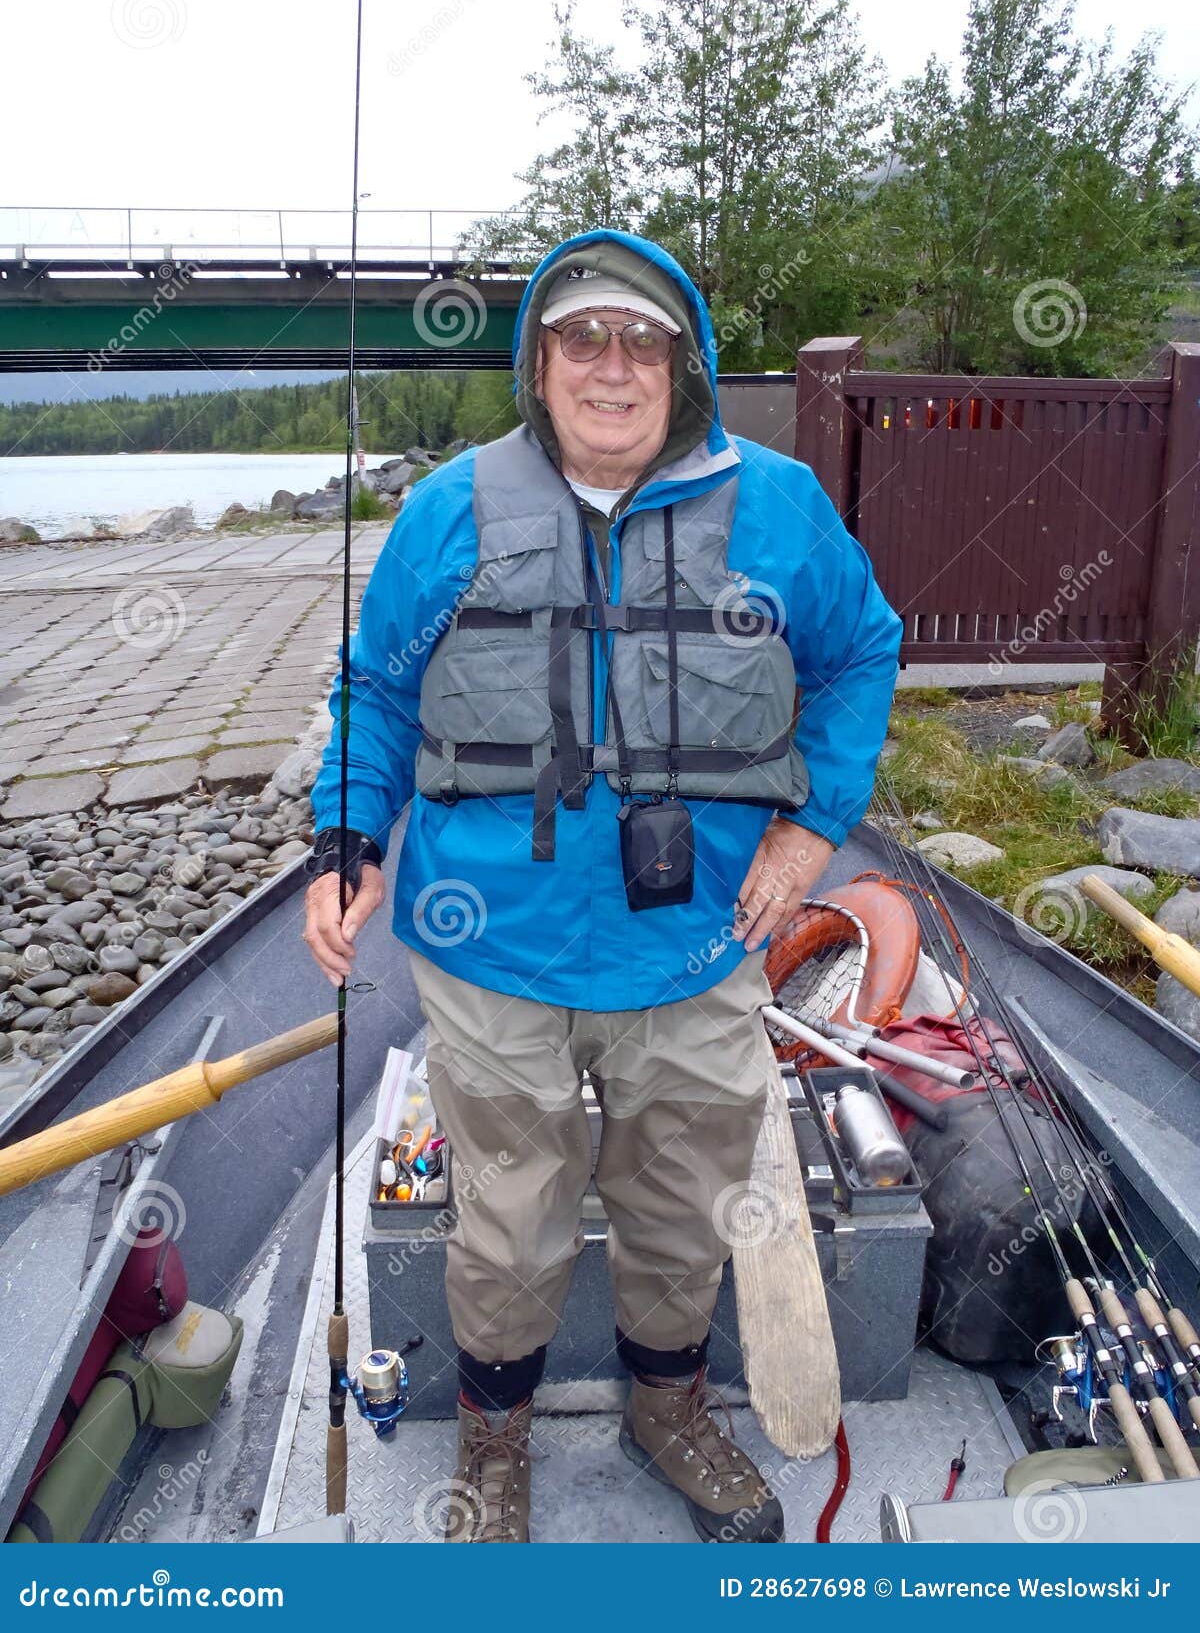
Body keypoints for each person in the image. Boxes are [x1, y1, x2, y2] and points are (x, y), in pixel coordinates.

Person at [303, 229, 902, 1543]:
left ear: (680, 365)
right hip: (489, 948)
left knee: (683, 1199)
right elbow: (379, 693)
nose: (613, 367)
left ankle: (668, 1403)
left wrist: (816, 827)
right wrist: (348, 835)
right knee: (507, 1214)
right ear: (540, 363)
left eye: (643, 340)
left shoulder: (785, 506)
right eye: (584, 339)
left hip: (697, 943)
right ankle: (496, 1431)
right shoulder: (446, 510)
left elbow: (864, 649)